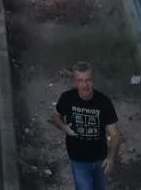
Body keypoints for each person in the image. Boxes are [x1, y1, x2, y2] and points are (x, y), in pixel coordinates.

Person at [50, 62, 120, 190]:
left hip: (100, 159)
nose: (85, 85)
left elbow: (114, 134)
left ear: (93, 81)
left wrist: (110, 158)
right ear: (75, 82)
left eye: (88, 80)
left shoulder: (104, 102)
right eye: (80, 80)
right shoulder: (67, 98)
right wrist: (63, 127)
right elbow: (55, 115)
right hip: (78, 160)